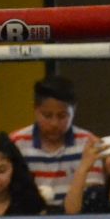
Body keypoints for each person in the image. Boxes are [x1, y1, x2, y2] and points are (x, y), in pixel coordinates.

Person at [10, 75, 99, 207]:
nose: (54, 123)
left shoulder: (90, 144)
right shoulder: (16, 143)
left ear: (74, 111)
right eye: (47, 115)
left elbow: (92, 199)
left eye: (62, 116)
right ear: (35, 110)